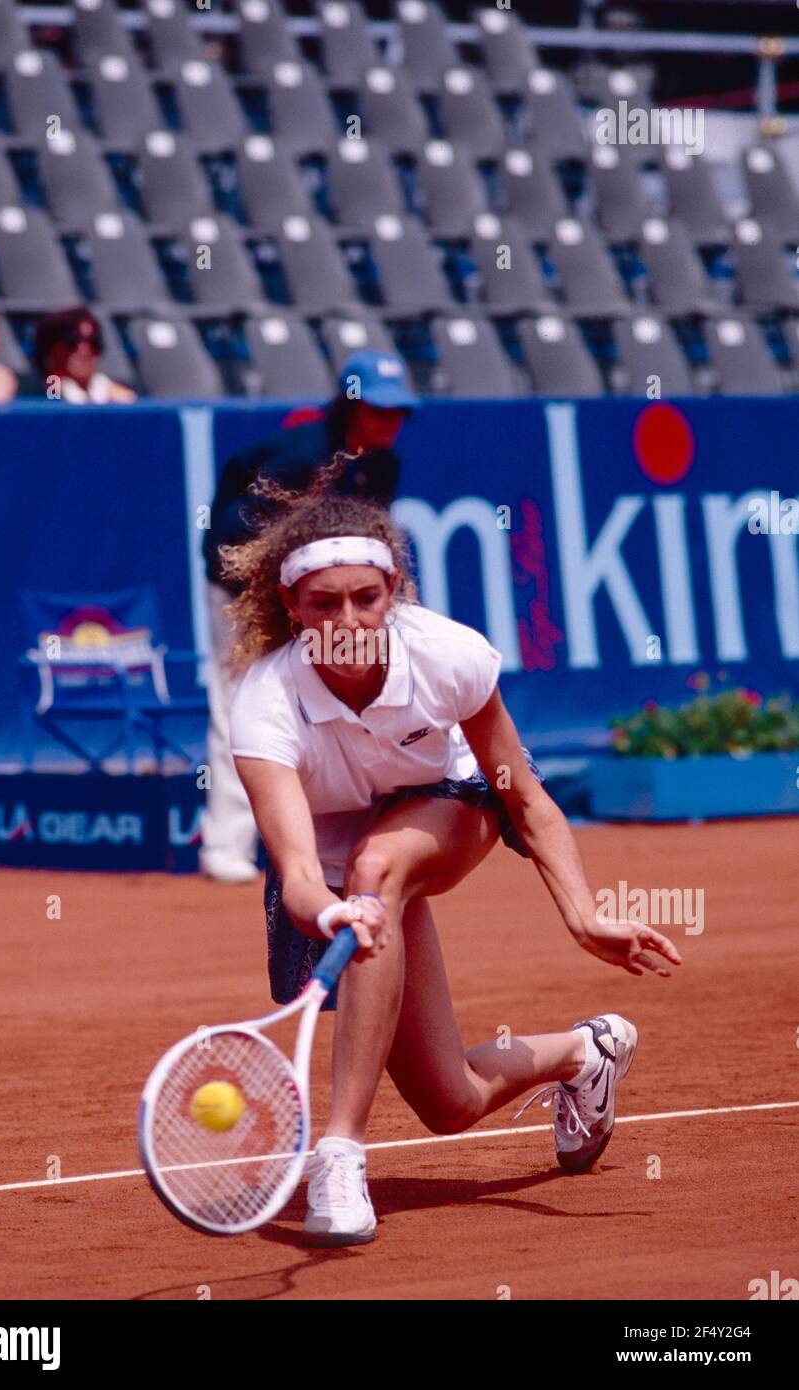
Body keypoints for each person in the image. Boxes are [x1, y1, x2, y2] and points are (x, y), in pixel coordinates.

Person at [221, 458, 683, 1247]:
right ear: (291, 605)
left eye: (367, 598)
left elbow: (523, 793)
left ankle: (339, 1154)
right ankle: (586, 1051)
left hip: (456, 806)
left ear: (394, 591)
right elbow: (296, 872)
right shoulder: (266, 705)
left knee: (377, 870)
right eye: (324, 601)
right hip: (343, 864)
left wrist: (583, 914)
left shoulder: (449, 656)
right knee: (450, 1101)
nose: (348, 619)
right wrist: (332, 912)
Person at [200, 348, 417, 884]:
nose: (390, 422)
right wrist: (276, 607)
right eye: (377, 409)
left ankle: (335, 836)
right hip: (245, 592)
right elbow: (232, 541)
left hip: (323, 599)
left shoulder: (383, 465)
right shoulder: (301, 458)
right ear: (349, 407)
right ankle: (225, 846)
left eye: (398, 412)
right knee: (242, 699)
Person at [33, 308, 136, 403]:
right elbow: (52, 394)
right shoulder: (39, 391)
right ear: (51, 348)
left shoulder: (108, 389)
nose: (85, 350)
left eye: (93, 342)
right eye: (72, 341)